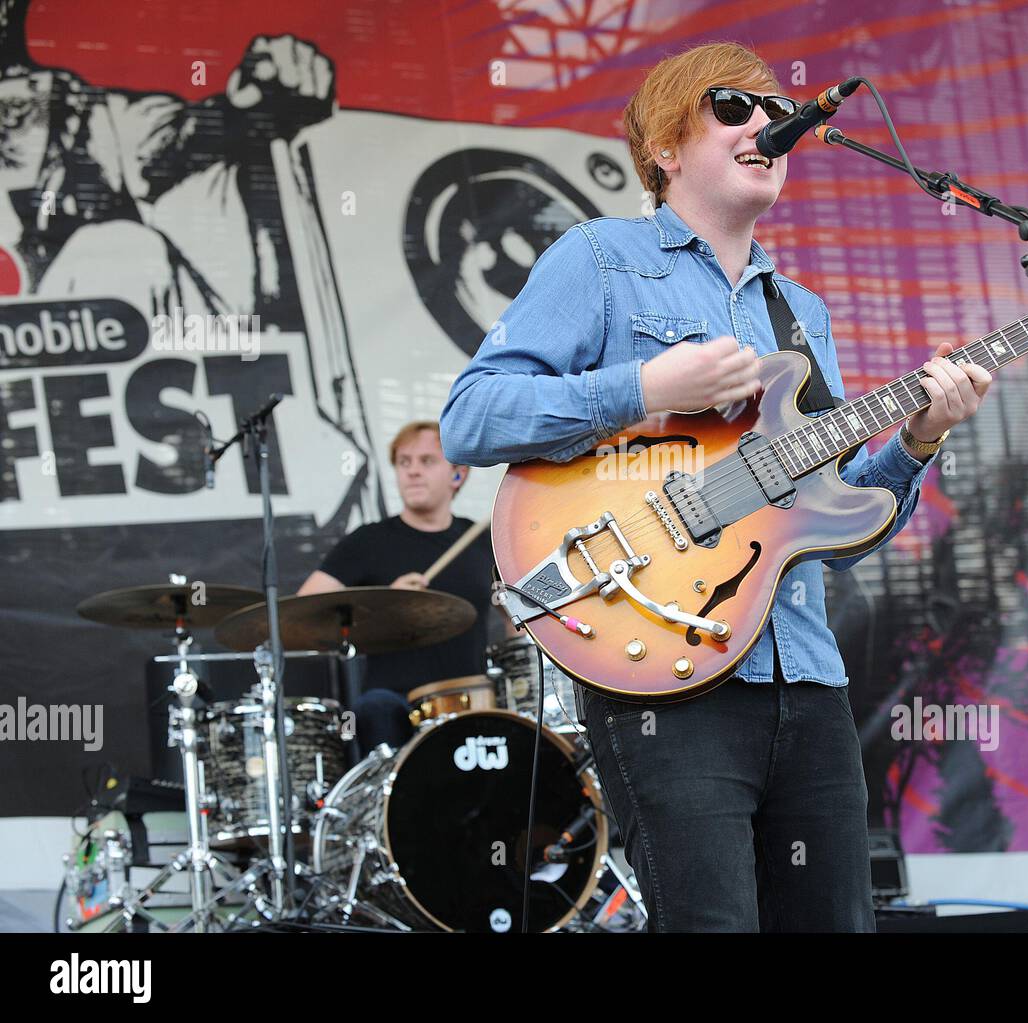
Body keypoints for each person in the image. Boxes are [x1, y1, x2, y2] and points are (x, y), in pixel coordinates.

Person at [439, 42, 991, 932]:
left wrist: (920, 440)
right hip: (665, 671)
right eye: (732, 107)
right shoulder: (601, 259)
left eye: (774, 111)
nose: (764, 123)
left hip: (805, 673)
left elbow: (840, 523)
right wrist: (646, 389)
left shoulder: (800, 313)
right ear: (664, 145)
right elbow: (471, 418)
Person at [299, 420, 496, 751]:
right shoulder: (367, 541)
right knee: (374, 707)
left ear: (458, 474)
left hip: (469, 698)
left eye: (427, 461)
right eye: (404, 462)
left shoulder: (481, 542)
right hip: (393, 704)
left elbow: (517, 622)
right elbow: (306, 611)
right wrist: (386, 605)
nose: (413, 471)